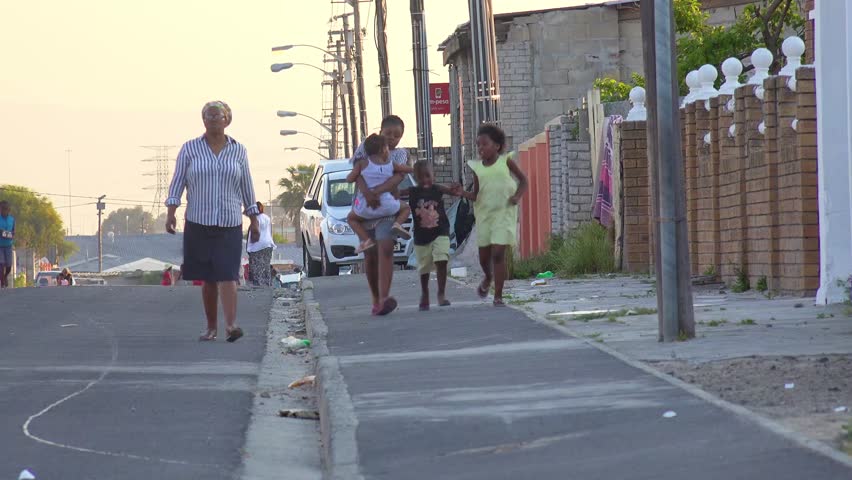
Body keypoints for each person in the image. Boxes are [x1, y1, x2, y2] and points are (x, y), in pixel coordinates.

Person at [165, 100, 260, 342]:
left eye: (218, 116)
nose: (213, 120)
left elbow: (246, 187)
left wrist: (254, 220)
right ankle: (211, 327)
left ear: (227, 120)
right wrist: (171, 212)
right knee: (207, 277)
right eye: (209, 116)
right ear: (203, 120)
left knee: (228, 273)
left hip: (229, 222)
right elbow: (177, 182)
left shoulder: (239, 151)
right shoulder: (190, 149)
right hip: (198, 221)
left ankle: (230, 325)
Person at [458, 124, 529, 307]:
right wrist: (461, 193)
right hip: (484, 216)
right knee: (484, 258)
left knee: (498, 254)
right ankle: (488, 276)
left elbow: (523, 180)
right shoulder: (477, 169)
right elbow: (475, 194)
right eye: (478, 145)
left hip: (504, 214)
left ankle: (498, 296)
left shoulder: (506, 162)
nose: (481, 149)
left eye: (485, 144)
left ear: (497, 146)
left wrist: (517, 196)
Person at [400, 161, 462, 311]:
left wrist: (455, 188)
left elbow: (453, 192)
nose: (425, 180)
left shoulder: (437, 189)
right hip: (422, 238)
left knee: (441, 259)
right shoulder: (413, 191)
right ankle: (425, 293)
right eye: (421, 177)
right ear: (415, 178)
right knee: (424, 267)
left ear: (433, 175)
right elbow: (396, 194)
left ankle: (441, 294)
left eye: (428, 176)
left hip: (440, 232)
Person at [347, 134, 412, 253]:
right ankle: (397, 224)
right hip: (387, 205)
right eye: (387, 148)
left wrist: (356, 175)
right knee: (406, 208)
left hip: (366, 207)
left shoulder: (362, 164)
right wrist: (414, 168)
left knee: (351, 218)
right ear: (383, 150)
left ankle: (366, 240)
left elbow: (350, 179)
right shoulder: (391, 164)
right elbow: (405, 169)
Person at [247, 201, 275, 286]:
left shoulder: (256, 219)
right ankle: (268, 284)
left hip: (257, 247)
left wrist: (249, 247)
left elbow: (254, 234)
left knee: (256, 268)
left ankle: (259, 287)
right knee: (266, 266)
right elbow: (269, 231)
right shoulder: (267, 218)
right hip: (268, 244)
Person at [0, 201, 15, 289]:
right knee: (1, 264)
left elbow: (13, 232)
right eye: (2, 208)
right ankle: (2, 282)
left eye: (6, 209)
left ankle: (5, 277)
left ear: (9, 210)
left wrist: (7, 234)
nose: (4, 210)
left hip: (8, 245)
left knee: (8, 266)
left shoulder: (12, 219)